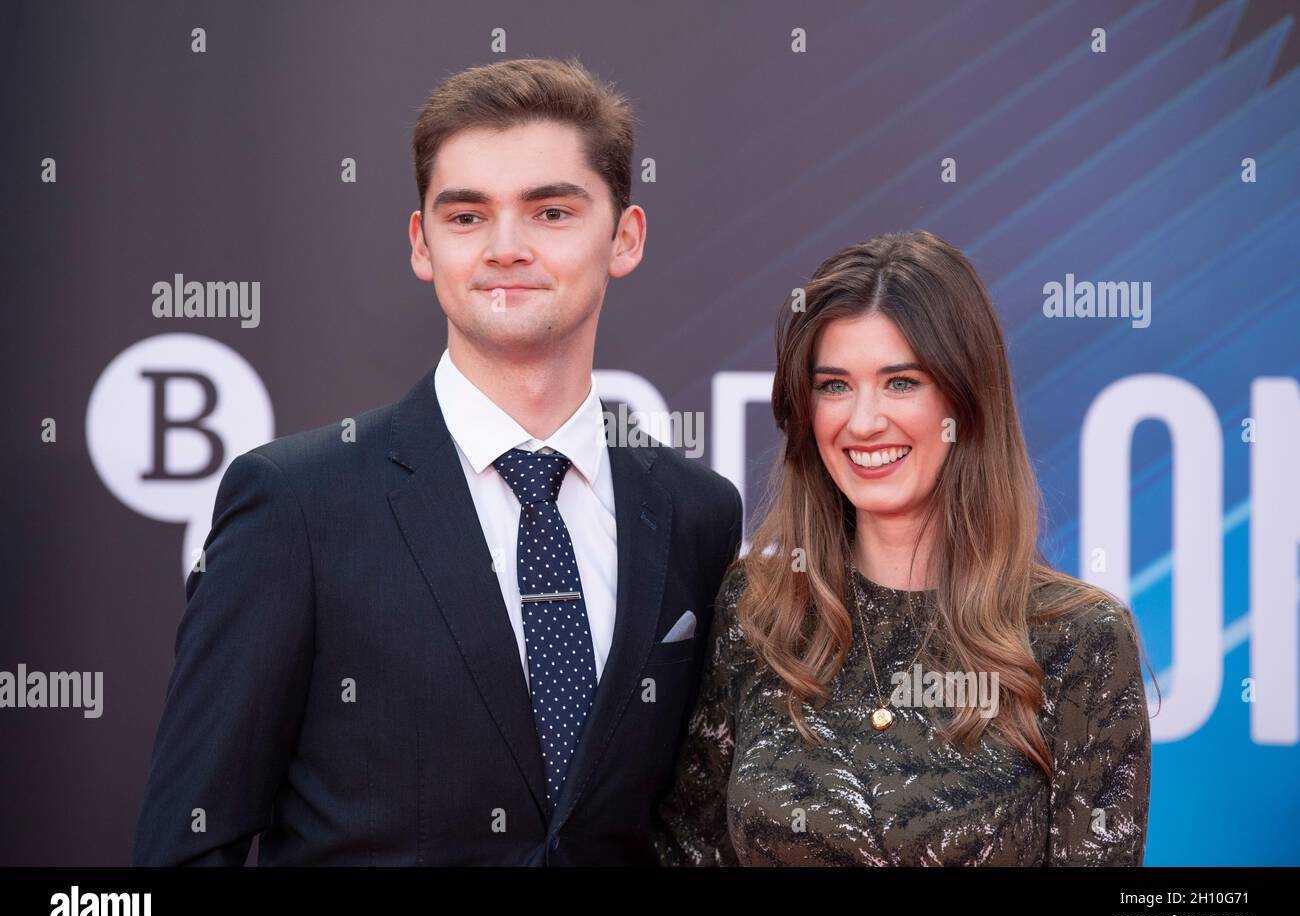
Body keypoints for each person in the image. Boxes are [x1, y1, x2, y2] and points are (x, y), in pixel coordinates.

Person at [133, 57, 742, 866]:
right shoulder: (297, 505)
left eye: (551, 211)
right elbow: (185, 846)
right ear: (422, 244)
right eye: (466, 217)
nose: (505, 248)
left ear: (624, 237)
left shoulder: (695, 511)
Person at [653, 230, 1155, 866]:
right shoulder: (758, 613)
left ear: (965, 401)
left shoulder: (1078, 638)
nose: (862, 421)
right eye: (834, 386)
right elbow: (690, 854)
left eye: (901, 383)